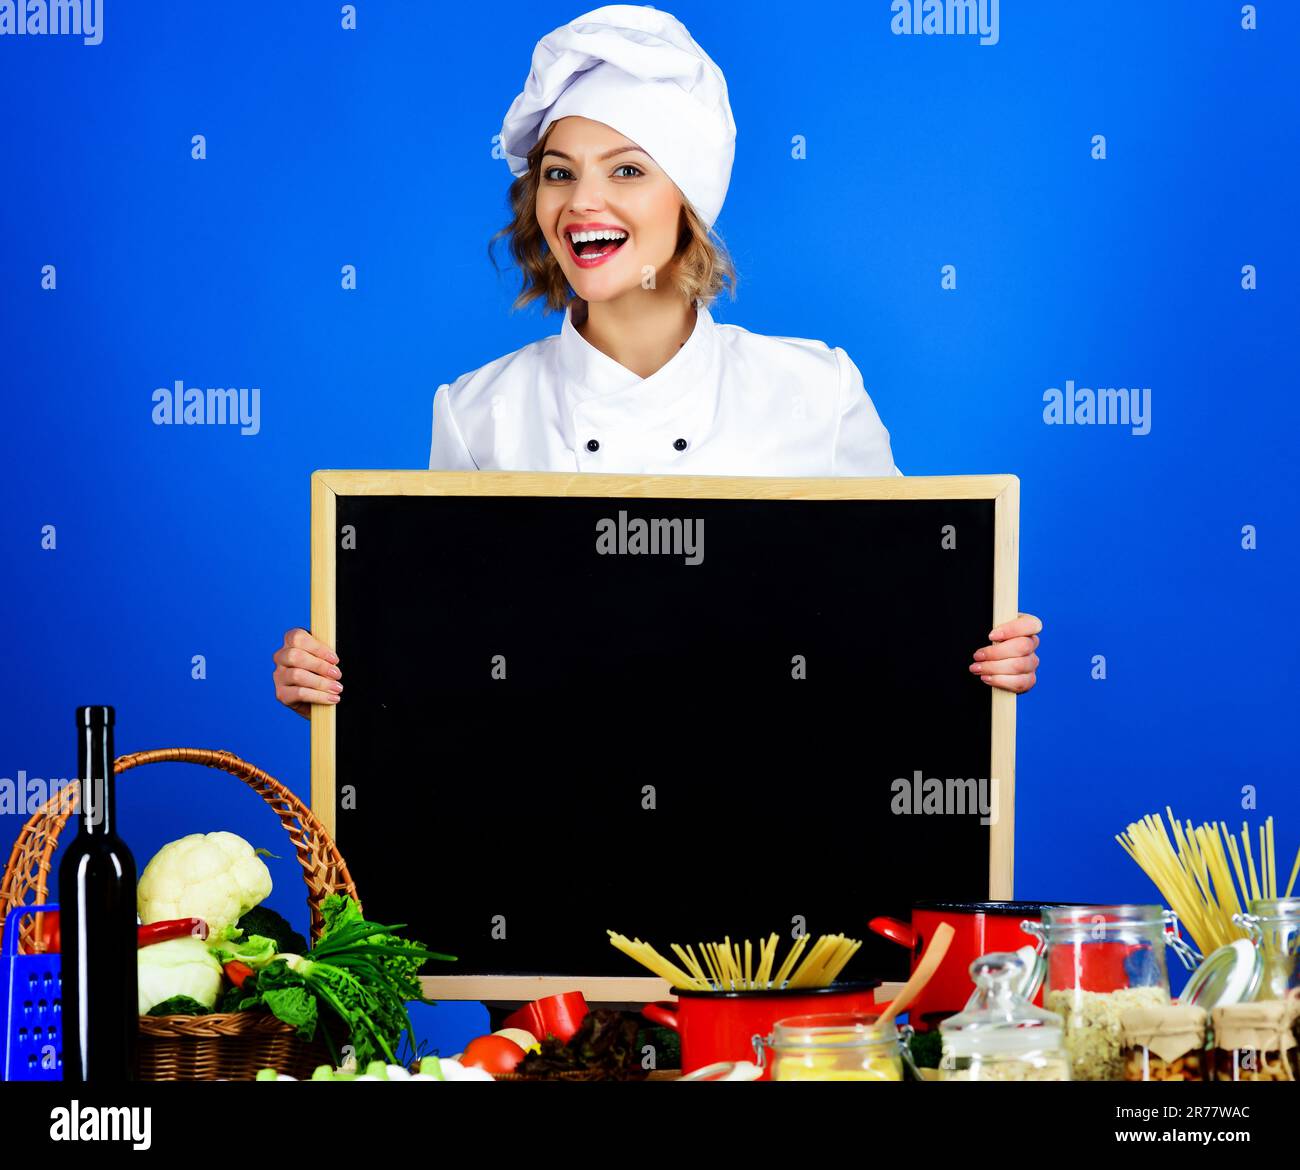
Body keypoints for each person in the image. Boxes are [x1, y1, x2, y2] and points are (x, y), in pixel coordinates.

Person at [273, 5, 1041, 717]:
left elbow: (904, 613)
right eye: (559, 171)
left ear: (690, 203)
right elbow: (444, 663)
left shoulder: (816, 391)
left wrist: (982, 645)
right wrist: (339, 674)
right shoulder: (477, 412)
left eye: (628, 169)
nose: (581, 203)